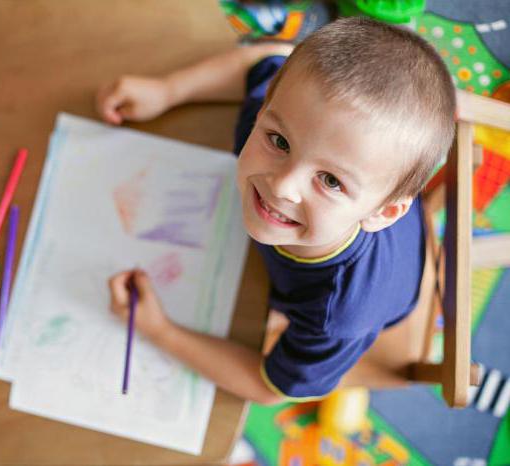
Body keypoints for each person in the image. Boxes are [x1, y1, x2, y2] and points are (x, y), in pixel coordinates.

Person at [97, 16, 456, 404]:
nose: (282, 185)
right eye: (279, 141)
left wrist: (161, 331)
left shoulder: (338, 317)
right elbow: (264, 59)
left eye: (331, 181)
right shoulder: (291, 118)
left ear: (381, 213)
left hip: (387, 287)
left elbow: (270, 388)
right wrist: (167, 90)